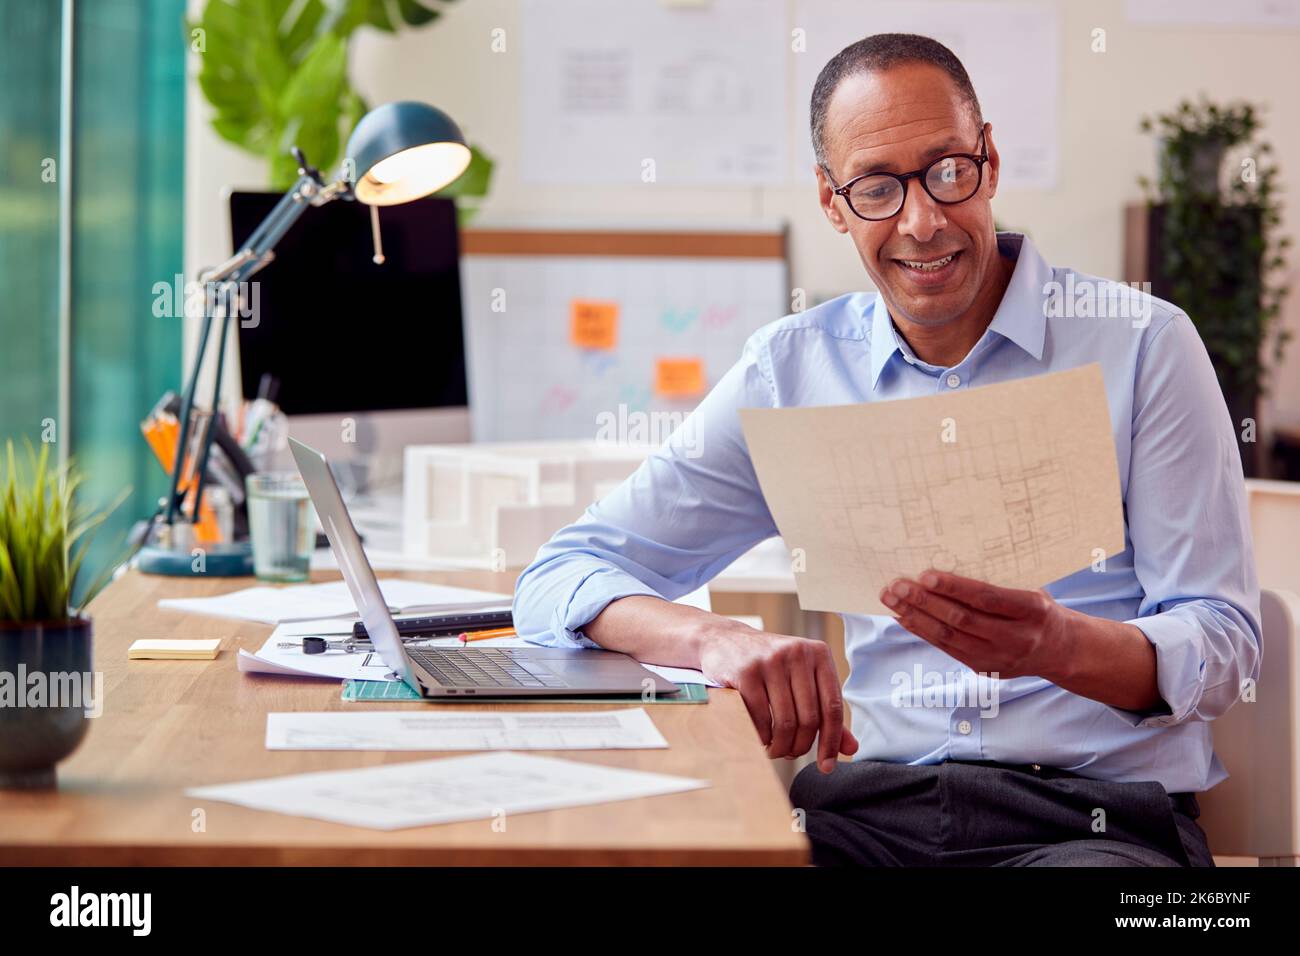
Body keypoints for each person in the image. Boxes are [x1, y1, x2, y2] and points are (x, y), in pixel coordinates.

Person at [512, 33, 1260, 866]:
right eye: (877, 189)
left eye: (948, 170)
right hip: (866, 817)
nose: (922, 220)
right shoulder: (791, 370)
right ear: (832, 203)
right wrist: (714, 642)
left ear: (991, 160)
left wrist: (1059, 647)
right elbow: (561, 576)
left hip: (1089, 824)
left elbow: (1225, 643)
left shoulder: (1144, 345)